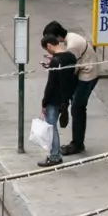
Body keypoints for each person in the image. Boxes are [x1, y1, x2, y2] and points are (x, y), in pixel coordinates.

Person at [44, 20, 100, 152]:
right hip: (84, 71)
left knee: (77, 108)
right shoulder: (71, 38)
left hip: (88, 75)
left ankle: (77, 144)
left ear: (57, 37)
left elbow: (68, 68)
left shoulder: (72, 46)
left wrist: (55, 64)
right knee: (77, 107)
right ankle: (78, 142)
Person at [39, 34, 79, 167]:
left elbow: (51, 84)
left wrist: (44, 102)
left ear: (49, 46)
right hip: (65, 97)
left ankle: (55, 156)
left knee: (51, 127)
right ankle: (55, 154)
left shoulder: (56, 62)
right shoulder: (71, 57)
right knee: (53, 126)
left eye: (47, 49)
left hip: (54, 98)